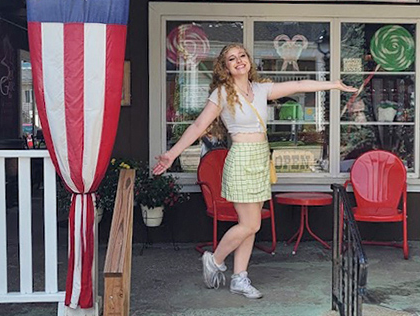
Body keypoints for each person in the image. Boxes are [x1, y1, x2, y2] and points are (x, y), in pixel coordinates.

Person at [153, 43, 356, 299]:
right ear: (224, 67)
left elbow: (298, 85)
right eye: (231, 58)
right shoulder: (222, 94)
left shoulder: (260, 89)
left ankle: (239, 277)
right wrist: (172, 154)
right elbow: (197, 127)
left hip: (261, 158)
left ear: (249, 61)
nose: (239, 61)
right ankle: (214, 259)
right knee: (251, 224)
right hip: (240, 159)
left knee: (249, 224)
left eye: (242, 56)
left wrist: (333, 85)